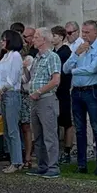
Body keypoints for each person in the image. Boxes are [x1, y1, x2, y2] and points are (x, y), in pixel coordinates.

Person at [63, 20, 97, 174]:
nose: (85, 35)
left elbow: (92, 69)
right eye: (83, 32)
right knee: (80, 129)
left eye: (87, 32)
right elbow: (65, 68)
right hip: (76, 91)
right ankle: (81, 164)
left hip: (92, 91)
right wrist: (76, 55)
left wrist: (74, 71)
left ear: (95, 33)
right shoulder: (77, 48)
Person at [26, 28, 63, 178]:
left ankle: (53, 166)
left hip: (46, 99)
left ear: (44, 40)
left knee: (49, 134)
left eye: (36, 37)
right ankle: (42, 165)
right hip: (35, 100)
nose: (33, 40)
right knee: (38, 135)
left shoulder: (52, 57)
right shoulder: (36, 58)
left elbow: (55, 80)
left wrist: (39, 91)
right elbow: (32, 78)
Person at [0, 29, 26, 173]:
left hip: (11, 93)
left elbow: (12, 79)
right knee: (7, 129)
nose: (2, 42)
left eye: (4, 39)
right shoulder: (6, 56)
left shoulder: (15, 56)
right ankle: (13, 159)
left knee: (13, 129)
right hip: (3, 93)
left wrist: (0, 90)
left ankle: (17, 160)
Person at [52, 25, 75, 163]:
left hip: (64, 90)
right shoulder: (53, 52)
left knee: (66, 122)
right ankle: (56, 149)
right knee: (54, 122)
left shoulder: (65, 51)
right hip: (54, 91)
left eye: (54, 36)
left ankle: (67, 150)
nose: (52, 38)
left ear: (60, 37)